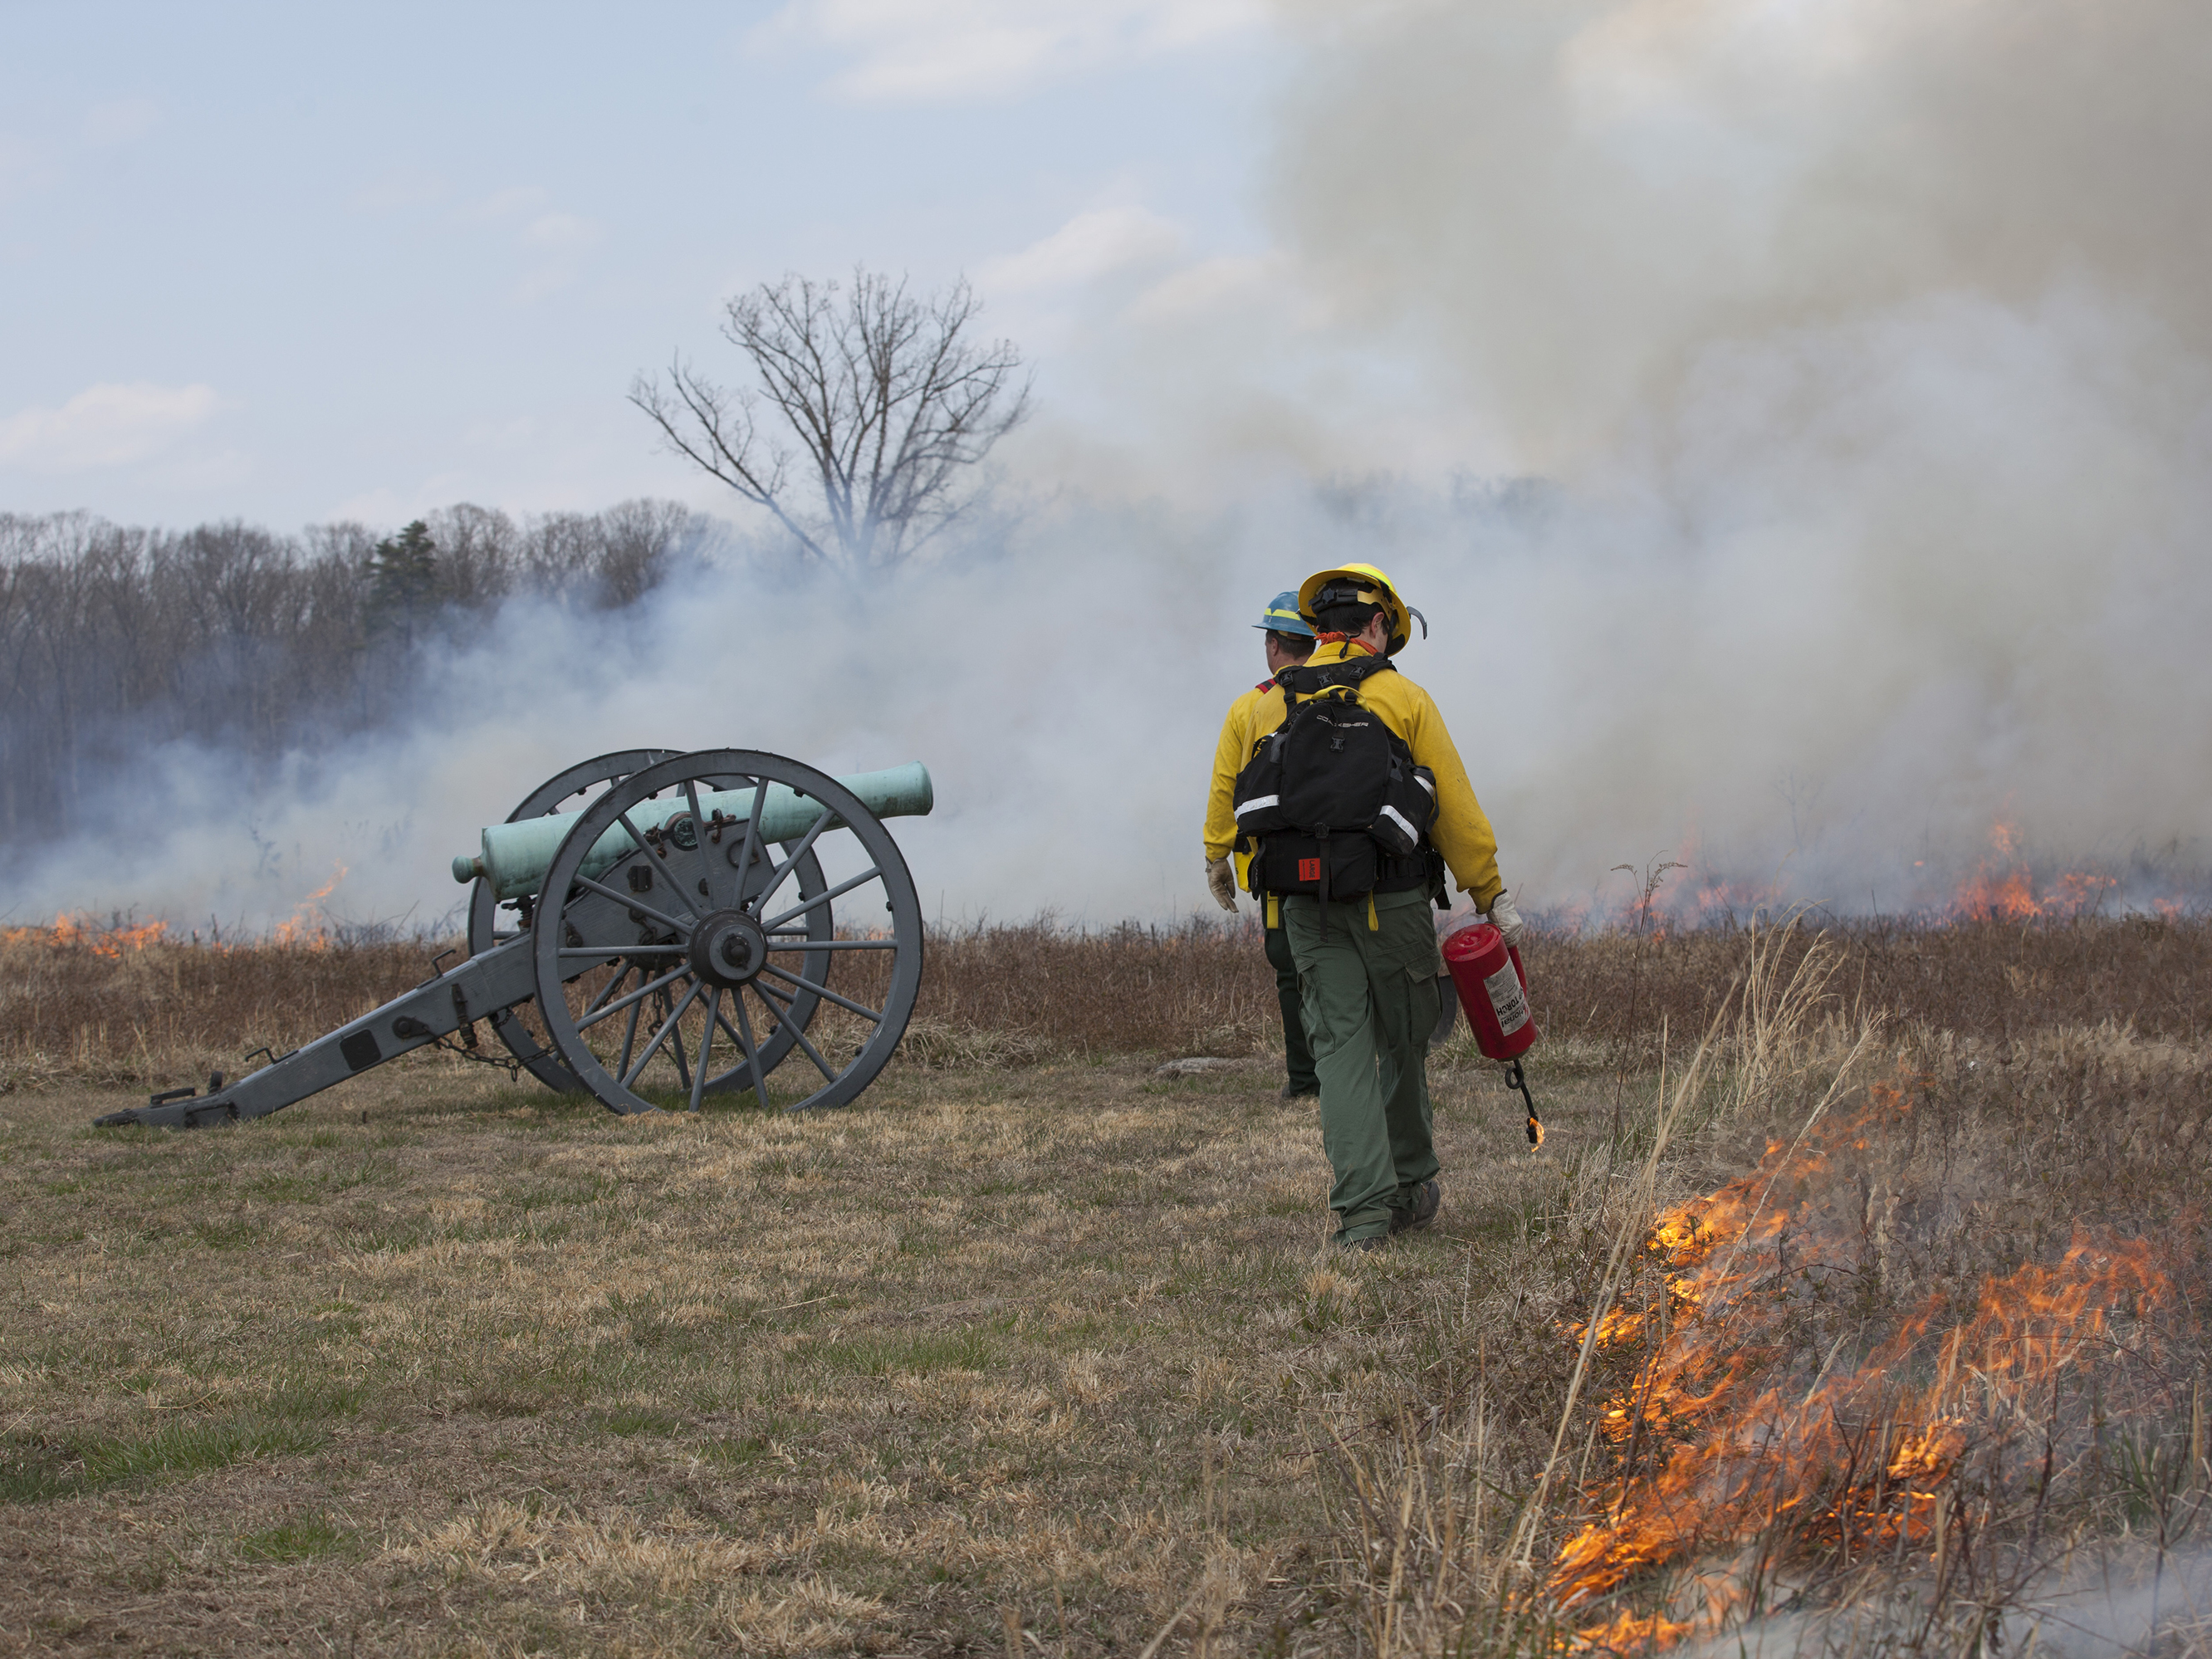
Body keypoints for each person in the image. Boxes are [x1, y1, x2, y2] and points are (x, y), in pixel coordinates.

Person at [1237, 564, 1522, 1251]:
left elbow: (1249, 801)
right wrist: (1489, 894)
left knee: (1337, 1050)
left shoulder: (1272, 701)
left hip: (1304, 905)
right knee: (1402, 1042)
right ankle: (1410, 1185)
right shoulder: (1403, 699)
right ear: (1375, 627)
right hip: (1389, 902)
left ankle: (1361, 1216)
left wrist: (1229, 864)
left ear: (1316, 629)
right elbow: (1452, 809)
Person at [1202, 592, 1320, 1099]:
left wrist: (1217, 856)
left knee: (1290, 971)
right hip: (1342, 863)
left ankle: (1304, 1081)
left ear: (1273, 644)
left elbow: (1226, 786)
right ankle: (1350, 1071)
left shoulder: (1249, 707)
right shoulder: (1345, 695)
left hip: (1273, 870)